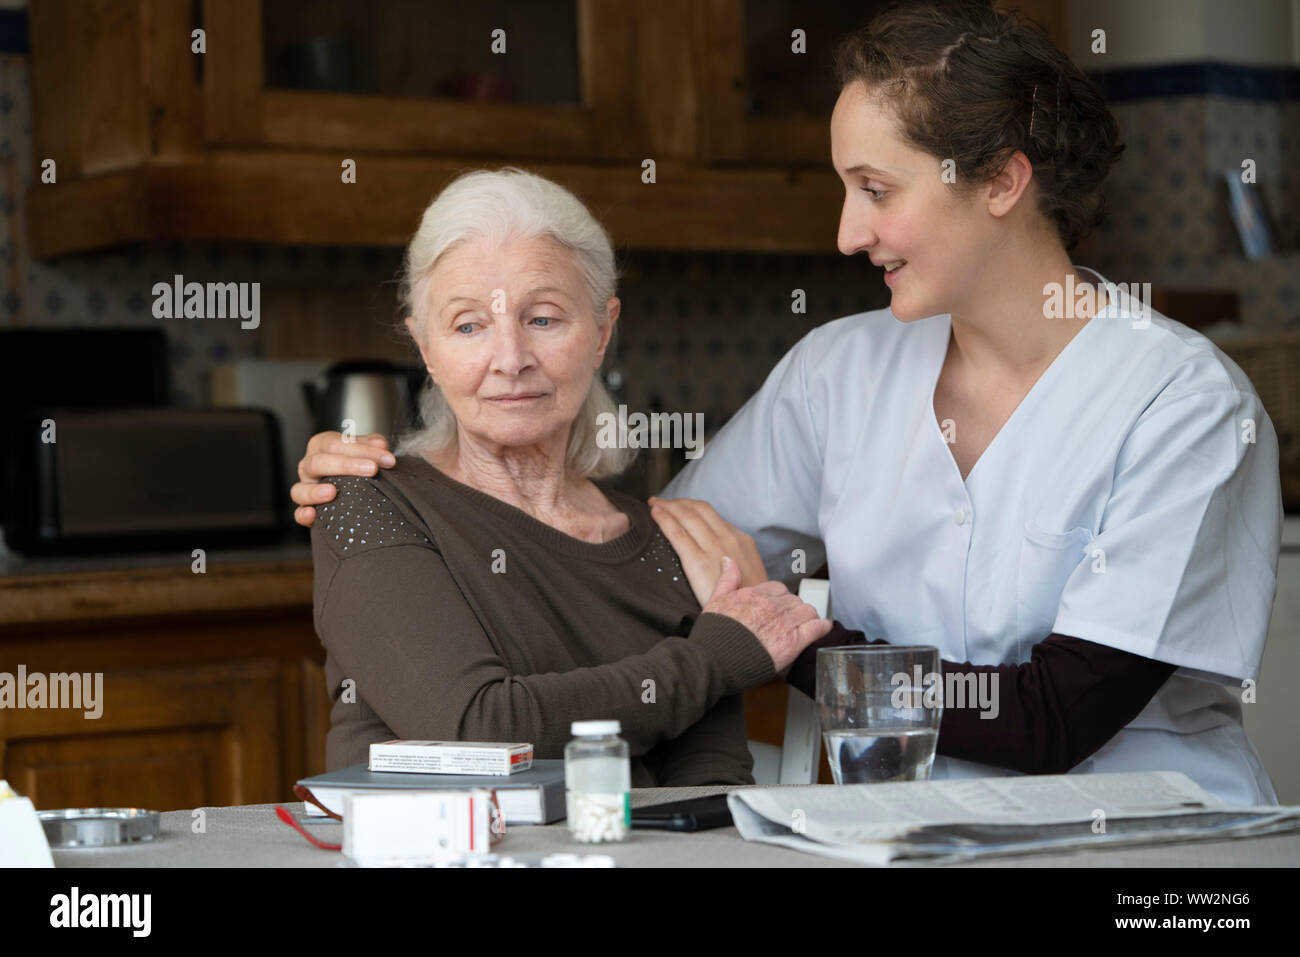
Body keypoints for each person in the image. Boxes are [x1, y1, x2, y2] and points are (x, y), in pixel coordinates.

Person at [292, 1, 1281, 805]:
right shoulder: (836, 371)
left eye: (874, 189)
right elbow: (663, 568)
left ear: (1001, 182)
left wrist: (780, 635)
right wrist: (394, 492)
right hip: (886, 834)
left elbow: (1050, 720)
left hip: (1150, 846)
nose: (848, 232)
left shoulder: (1180, 402)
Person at [308, 167, 831, 779]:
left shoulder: (668, 543)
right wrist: (714, 659)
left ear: (603, 332)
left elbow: (710, 780)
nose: (510, 360)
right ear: (426, 347)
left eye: (544, 319)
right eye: (469, 325)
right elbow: (480, 730)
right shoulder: (367, 504)